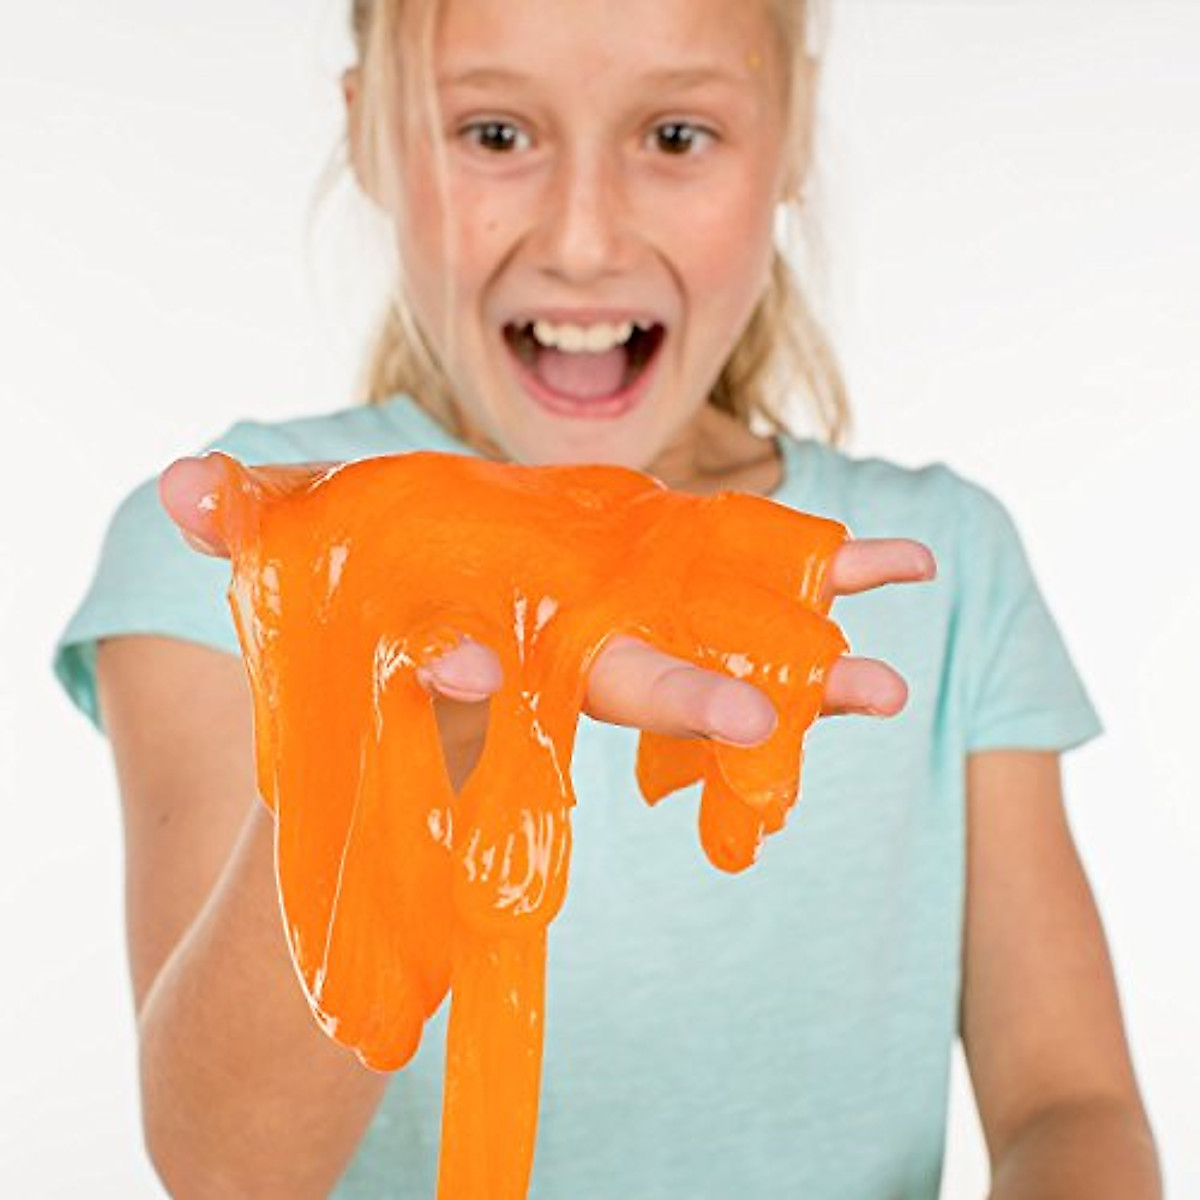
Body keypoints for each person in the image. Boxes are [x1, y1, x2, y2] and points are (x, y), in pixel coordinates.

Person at [54, 0, 1160, 1196]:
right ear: (367, 136)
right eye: (494, 134)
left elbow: (1071, 1104)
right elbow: (229, 1171)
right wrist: (407, 717)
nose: (583, 240)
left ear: (791, 140)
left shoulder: (947, 565)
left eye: (676, 137)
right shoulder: (254, 556)